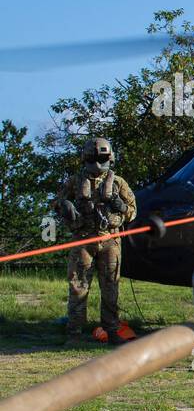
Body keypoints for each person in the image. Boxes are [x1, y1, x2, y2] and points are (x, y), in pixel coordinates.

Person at [53, 138, 137, 344]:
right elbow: (55, 202)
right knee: (78, 287)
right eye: (92, 160)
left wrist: (121, 207)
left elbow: (133, 212)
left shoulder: (118, 183)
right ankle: (74, 333)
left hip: (110, 240)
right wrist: (65, 206)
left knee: (111, 288)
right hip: (82, 240)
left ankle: (112, 331)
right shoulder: (74, 181)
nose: (97, 166)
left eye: (101, 160)